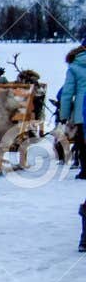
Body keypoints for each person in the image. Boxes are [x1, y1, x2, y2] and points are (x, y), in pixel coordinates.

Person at [58, 39, 86, 180]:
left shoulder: (74, 66)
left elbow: (67, 93)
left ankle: (85, 170)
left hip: (82, 111)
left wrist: (64, 114)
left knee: (82, 140)